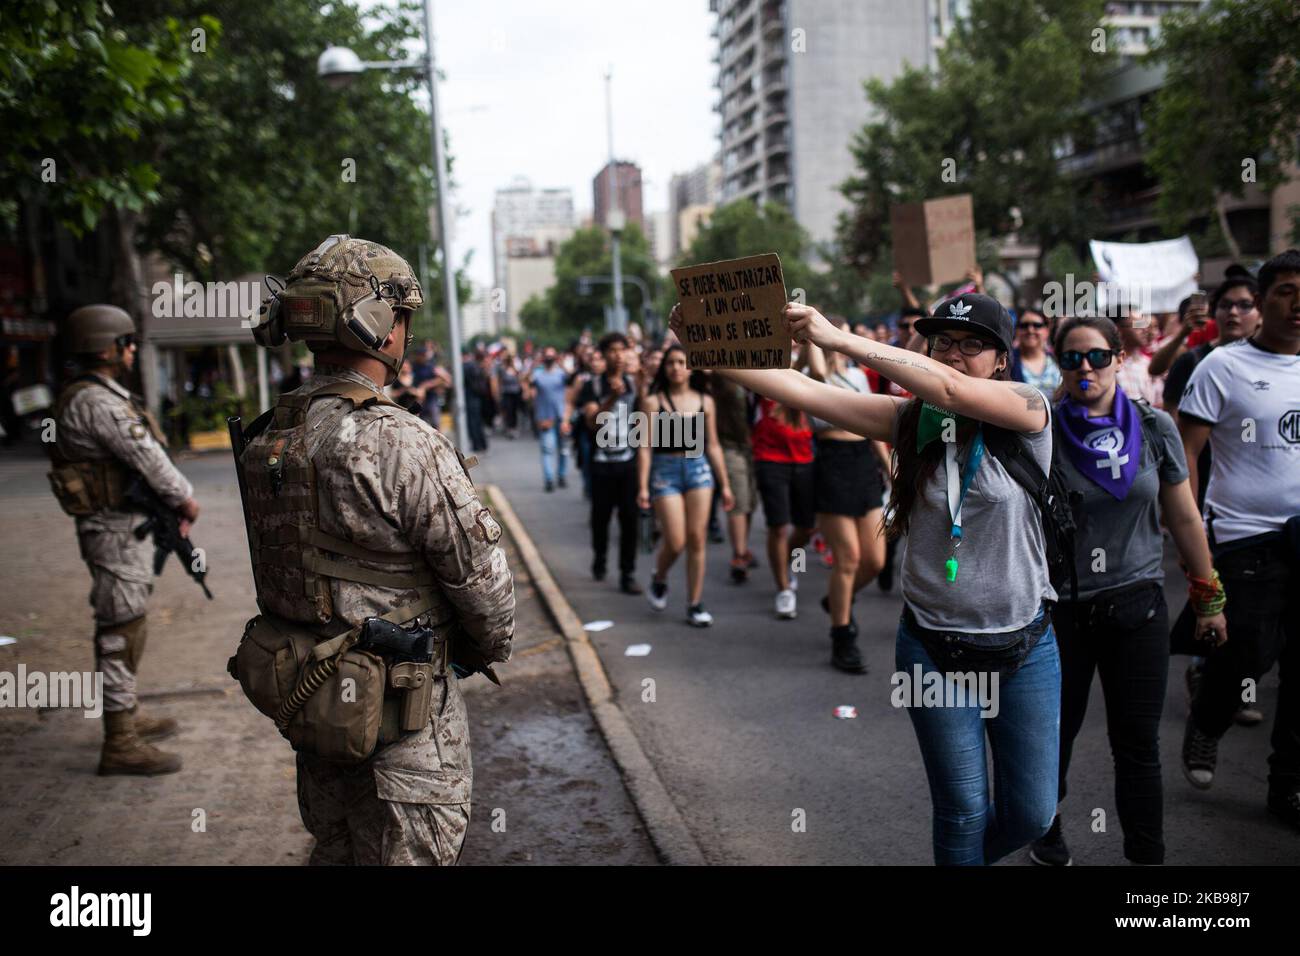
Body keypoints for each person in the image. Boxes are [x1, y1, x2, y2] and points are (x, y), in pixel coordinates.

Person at [672, 291, 1060, 865]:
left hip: (1025, 645)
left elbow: (951, 389)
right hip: (934, 647)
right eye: (942, 343)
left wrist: (836, 337)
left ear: (1002, 359)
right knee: (962, 811)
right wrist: (706, 346)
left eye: (972, 344)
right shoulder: (909, 421)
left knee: (1033, 814)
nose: (953, 354)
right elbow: (801, 390)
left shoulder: (1029, 408)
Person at [239, 235, 515, 864]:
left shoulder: (267, 438)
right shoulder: (402, 441)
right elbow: (487, 593)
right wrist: (480, 649)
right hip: (406, 730)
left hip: (317, 712)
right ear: (385, 327)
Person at [1027, 316, 1225, 867]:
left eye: (1096, 356)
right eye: (1071, 359)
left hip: (1139, 607)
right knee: (1055, 736)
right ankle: (1046, 830)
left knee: (1138, 744)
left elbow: (1183, 517)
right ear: (1060, 365)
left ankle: (1146, 858)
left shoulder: (1154, 426)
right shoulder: (1039, 430)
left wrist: (1208, 598)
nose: (1084, 368)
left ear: (1118, 358)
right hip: (1062, 612)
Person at [47, 305, 202, 776]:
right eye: (126, 343)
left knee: (128, 620)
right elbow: (147, 456)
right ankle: (120, 740)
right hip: (111, 530)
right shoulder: (96, 401)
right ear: (105, 349)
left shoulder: (96, 395)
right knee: (121, 627)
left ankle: (126, 713)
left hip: (120, 525)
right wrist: (185, 499)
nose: (132, 349)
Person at [1176, 249, 1300, 830]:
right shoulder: (1222, 367)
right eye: (1286, 291)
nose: (1297, 304)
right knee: (1248, 650)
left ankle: (1288, 785)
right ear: (1262, 300)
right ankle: (1208, 718)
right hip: (1245, 537)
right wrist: (1188, 528)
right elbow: (1187, 455)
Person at [805, 332, 889, 673]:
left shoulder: (856, 375)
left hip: (863, 462)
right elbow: (818, 372)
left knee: (876, 560)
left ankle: (836, 598)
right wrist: (812, 336)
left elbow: (871, 425)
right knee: (848, 558)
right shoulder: (811, 375)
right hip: (832, 461)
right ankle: (842, 636)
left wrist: (890, 470)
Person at [636, 345, 734, 626]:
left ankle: (695, 603)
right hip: (665, 471)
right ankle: (659, 576)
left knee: (697, 538)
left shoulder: (706, 401)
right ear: (664, 368)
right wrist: (643, 486)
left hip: (698, 468)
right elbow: (645, 446)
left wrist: (725, 485)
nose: (676, 367)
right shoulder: (653, 401)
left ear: (691, 368)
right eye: (671, 363)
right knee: (676, 540)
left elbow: (713, 445)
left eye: (682, 362)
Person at [579, 332, 643, 594]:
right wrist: (612, 398)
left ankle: (627, 574)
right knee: (601, 517)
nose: (618, 355)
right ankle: (600, 558)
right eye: (612, 350)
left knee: (630, 520)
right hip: (601, 464)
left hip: (628, 462)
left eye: (622, 350)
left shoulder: (634, 383)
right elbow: (592, 422)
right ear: (604, 354)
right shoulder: (592, 386)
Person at [750, 390, 814, 620]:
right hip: (770, 459)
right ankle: (784, 589)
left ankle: (791, 565)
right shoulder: (763, 381)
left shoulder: (804, 376)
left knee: (806, 529)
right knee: (779, 527)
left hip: (805, 458)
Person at [713, 372, 759, 583]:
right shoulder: (724, 375)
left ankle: (742, 548)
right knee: (738, 500)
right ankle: (739, 556)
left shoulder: (761, 375)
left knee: (750, 502)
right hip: (730, 446)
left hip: (756, 446)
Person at [526, 346, 570, 492]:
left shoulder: (561, 374)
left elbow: (573, 382)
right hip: (545, 418)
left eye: (552, 356)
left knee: (563, 449)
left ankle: (562, 475)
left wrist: (562, 364)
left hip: (562, 417)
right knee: (547, 448)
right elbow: (527, 385)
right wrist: (533, 365)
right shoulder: (537, 375)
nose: (550, 358)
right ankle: (549, 479)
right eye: (547, 356)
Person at [1114, 310, 1163, 407]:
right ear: (1118, 330)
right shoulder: (1108, 365)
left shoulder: (1149, 364)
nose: (1145, 330)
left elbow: (1159, 403)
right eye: (1138, 325)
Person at [1010, 307, 1062, 398]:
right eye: (1024, 326)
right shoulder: (1007, 363)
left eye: (1037, 325)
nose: (1030, 330)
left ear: (1047, 330)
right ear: (1017, 330)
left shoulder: (1058, 359)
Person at [496, 352, 524, 438]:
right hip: (506, 392)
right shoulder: (502, 369)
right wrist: (498, 393)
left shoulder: (515, 369)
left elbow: (520, 379)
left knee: (514, 411)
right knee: (508, 410)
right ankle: (509, 427)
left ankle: (514, 427)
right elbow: (500, 381)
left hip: (515, 392)